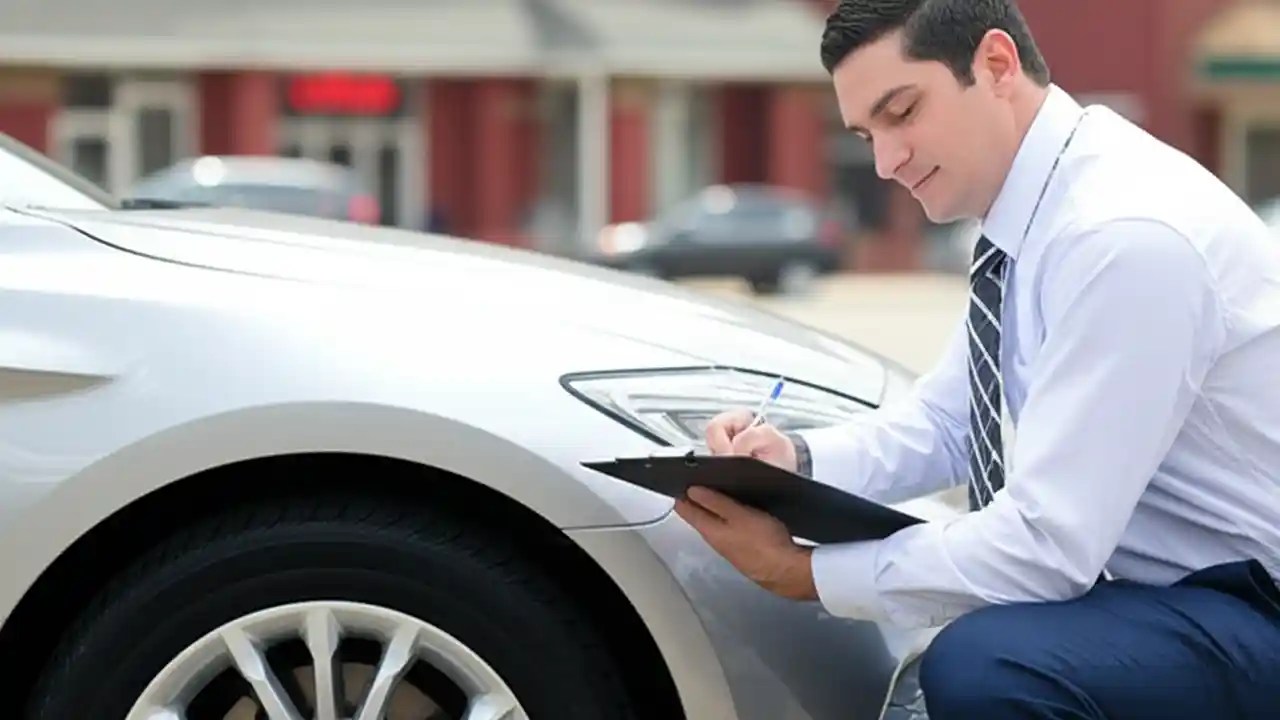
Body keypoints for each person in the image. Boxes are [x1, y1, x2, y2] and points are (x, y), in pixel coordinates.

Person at [672, 0, 1280, 717]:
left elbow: (1047, 545)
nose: (886, 162)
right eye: (867, 133)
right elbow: (952, 422)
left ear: (996, 65)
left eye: (902, 113)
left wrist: (806, 573)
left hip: (1256, 606)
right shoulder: (1036, 212)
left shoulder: (1123, 237)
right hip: (1179, 596)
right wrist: (790, 464)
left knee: (985, 662)